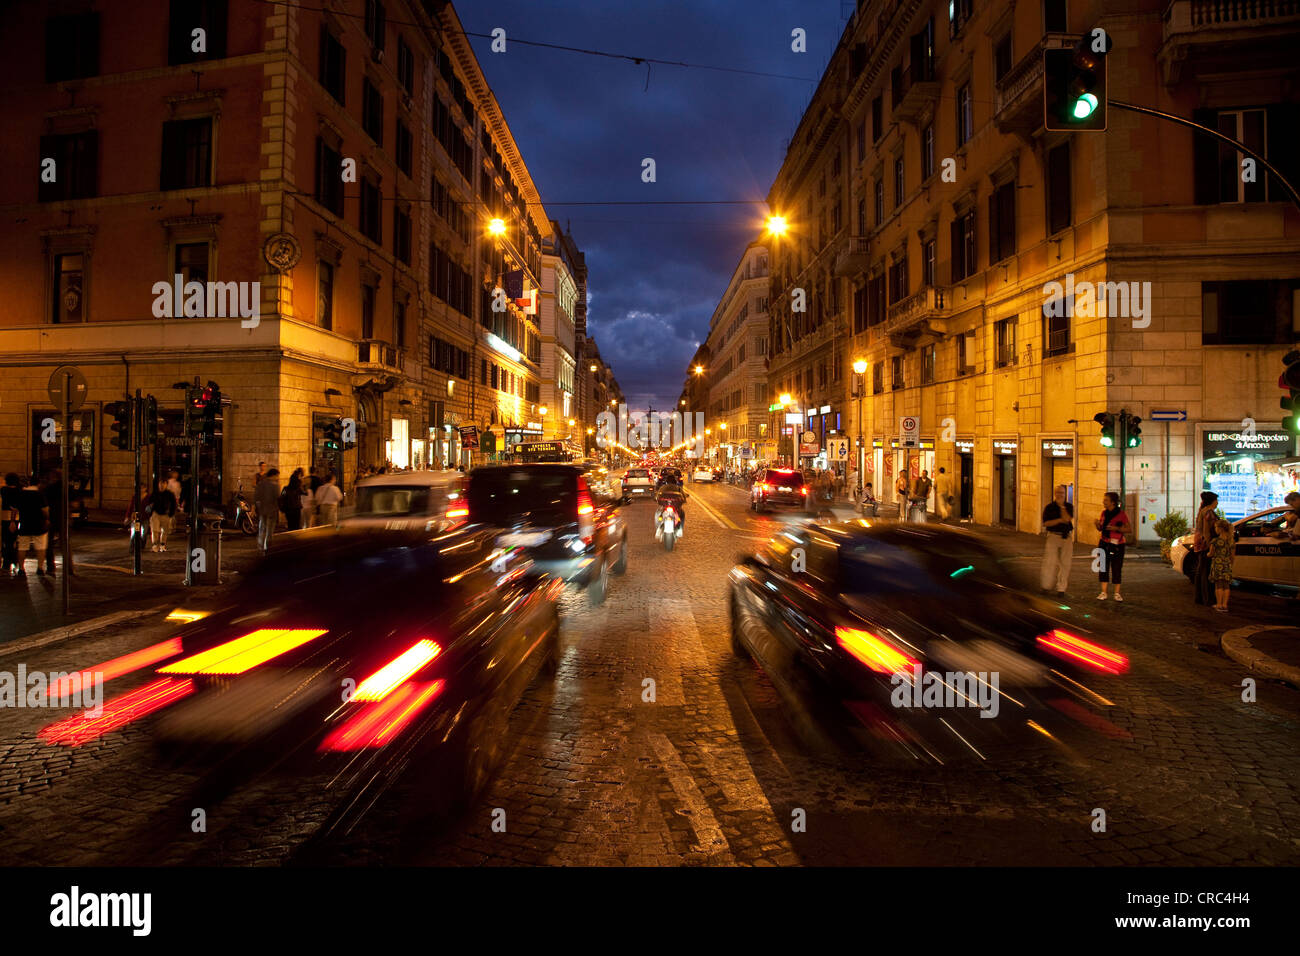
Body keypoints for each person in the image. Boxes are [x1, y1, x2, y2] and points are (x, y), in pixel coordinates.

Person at [1095, 491, 1132, 601]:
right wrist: (1097, 524)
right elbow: (1101, 528)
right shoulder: (1103, 513)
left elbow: (1129, 529)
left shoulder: (1121, 514)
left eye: (1106, 500)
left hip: (1117, 544)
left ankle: (1117, 593)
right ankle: (1103, 592)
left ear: (1113, 502)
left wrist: (1117, 528)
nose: (1104, 502)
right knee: (1103, 567)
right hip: (1104, 542)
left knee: (1116, 567)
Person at [1040, 485, 1074, 598]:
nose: (1060, 495)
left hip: (1066, 537)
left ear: (1065, 494)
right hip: (1053, 536)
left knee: (1065, 563)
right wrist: (1059, 520)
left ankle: (1061, 589)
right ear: (1055, 493)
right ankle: (1046, 586)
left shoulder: (1069, 506)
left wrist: (1062, 508)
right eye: (1058, 492)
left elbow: (1067, 519)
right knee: (1050, 561)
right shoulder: (1049, 507)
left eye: (1062, 493)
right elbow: (1046, 523)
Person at [15, 476, 50, 578]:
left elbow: (15, 508)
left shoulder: (21, 494)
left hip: (25, 523)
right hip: (39, 523)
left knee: (22, 547)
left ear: (29, 483)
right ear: (39, 484)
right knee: (41, 547)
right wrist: (47, 519)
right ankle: (40, 568)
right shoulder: (40, 494)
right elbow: (45, 510)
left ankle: (21, 569)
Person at [1192, 491, 1219, 606]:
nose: (1217, 502)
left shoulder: (1202, 511)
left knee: (1201, 571)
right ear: (1212, 501)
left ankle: (1199, 597)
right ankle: (1207, 598)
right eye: (1216, 500)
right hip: (1205, 544)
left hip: (1199, 543)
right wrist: (1210, 544)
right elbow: (1209, 531)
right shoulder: (1209, 512)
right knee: (1206, 572)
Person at [1208, 517, 1236, 612]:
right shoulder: (1231, 541)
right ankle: (1225, 605)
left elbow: (1211, 553)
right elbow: (1232, 556)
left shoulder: (1215, 541)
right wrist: (1230, 565)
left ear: (1220, 528)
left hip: (1217, 564)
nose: (1215, 529)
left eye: (1216, 527)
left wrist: (1207, 554)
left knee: (1218, 585)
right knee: (1226, 586)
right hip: (1227, 564)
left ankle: (1219, 604)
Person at [255, 467, 281, 554]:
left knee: (262, 528)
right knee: (269, 531)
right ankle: (267, 548)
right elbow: (277, 497)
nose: (277, 478)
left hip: (262, 510)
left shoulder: (261, 484)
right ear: (273, 475)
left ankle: (260, 546)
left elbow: (256, 497)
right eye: (277, 476)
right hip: (272, 511)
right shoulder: (275, 485)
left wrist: (256, 508)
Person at [147, 478, 177, 552]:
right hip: (156, 513)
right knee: (155, 530)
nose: (162, 486)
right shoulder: (154, 493)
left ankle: (162, 545)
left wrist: (171, 513)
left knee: (165, 530)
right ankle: (155, 545)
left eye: (163, 484)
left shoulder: (170, 494)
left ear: (166, 485)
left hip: (165, 514)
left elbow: (173, 504)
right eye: (160, 484)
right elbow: (149, 503)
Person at [1, 473, 21, 577]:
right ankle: (14, 561)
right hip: (16, 518)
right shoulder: (19, 491)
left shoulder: (4, 490)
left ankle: (6, 563)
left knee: (6, 541)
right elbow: (16, 507)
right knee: (13, 541)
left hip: (5, 518)